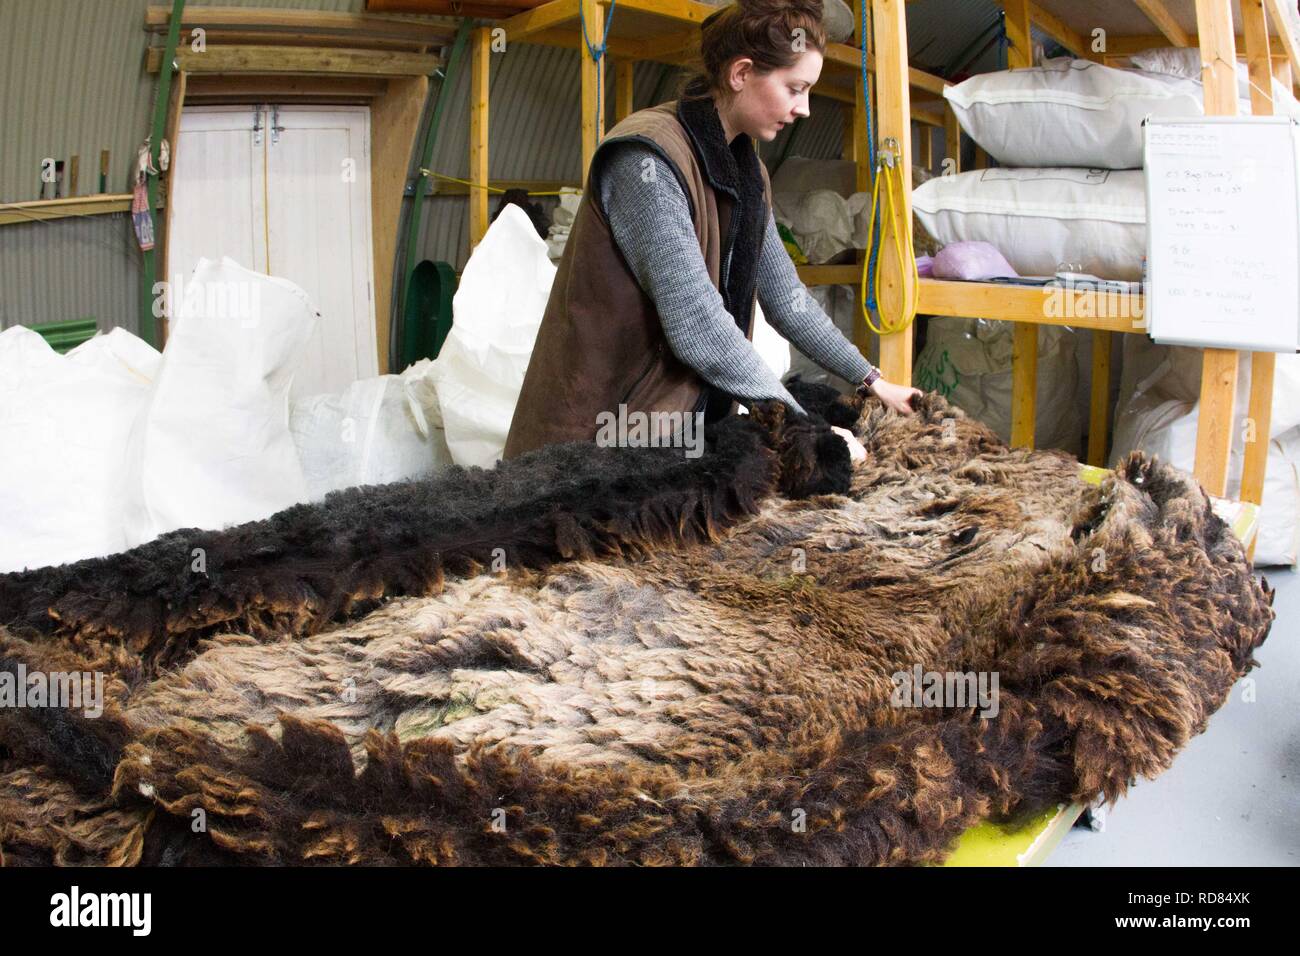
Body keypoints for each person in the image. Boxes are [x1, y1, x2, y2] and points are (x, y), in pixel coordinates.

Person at [503, 0, 921, 462]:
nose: (804, 109)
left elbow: (789, 301)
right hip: (597, 438)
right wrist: (801, 425)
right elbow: (696, 318)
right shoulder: (647, 160)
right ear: (741, 72)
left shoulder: (747, 172)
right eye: (795, 88)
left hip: (675, 426)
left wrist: (873, 380)